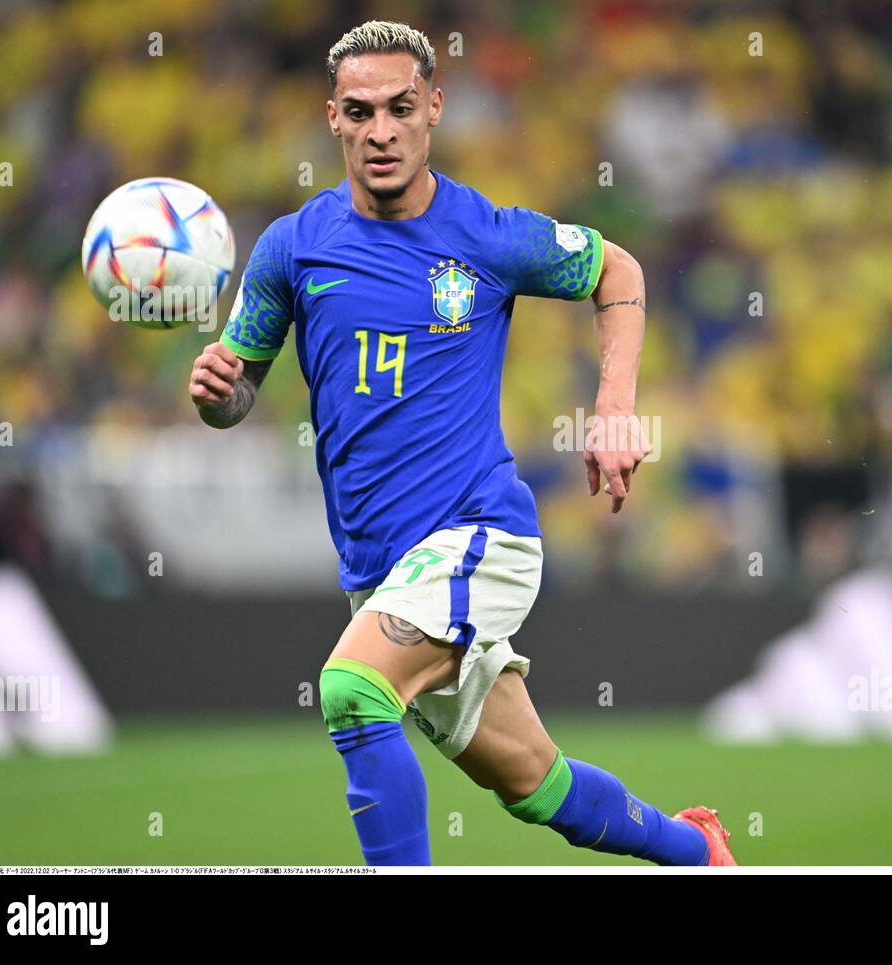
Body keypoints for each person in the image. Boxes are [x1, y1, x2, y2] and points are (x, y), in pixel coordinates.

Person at [188, 20, 734, 866]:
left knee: (352, 687)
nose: (381, 131)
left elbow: (618, 272)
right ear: (332, 117)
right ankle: (697, 851)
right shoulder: (290, 249)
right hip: (379, 573)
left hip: (479, 538)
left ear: (434, 108)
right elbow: (237, 393)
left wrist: (614, 406)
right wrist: (220, 394)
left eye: (400, 108)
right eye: (360, 112)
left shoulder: (485, 234)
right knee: (537, 784)